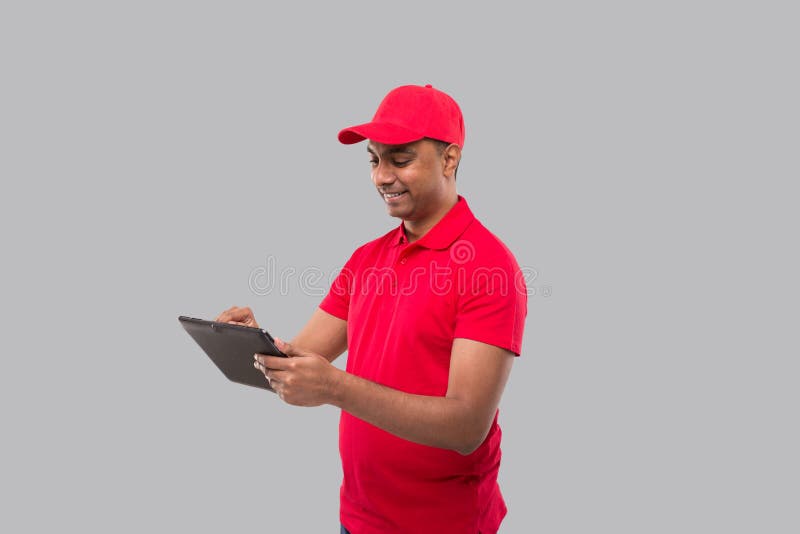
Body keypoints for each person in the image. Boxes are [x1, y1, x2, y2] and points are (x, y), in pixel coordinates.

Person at [216, 84, 527, 534]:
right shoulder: (366, 258)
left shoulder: (488, 267)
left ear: (449, 159)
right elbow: (301, 361)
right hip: (358, 520)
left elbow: (466, 427)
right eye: (374, 160)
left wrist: (336, 387)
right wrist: (253, 342)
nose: (382, 176)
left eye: (400, 160)